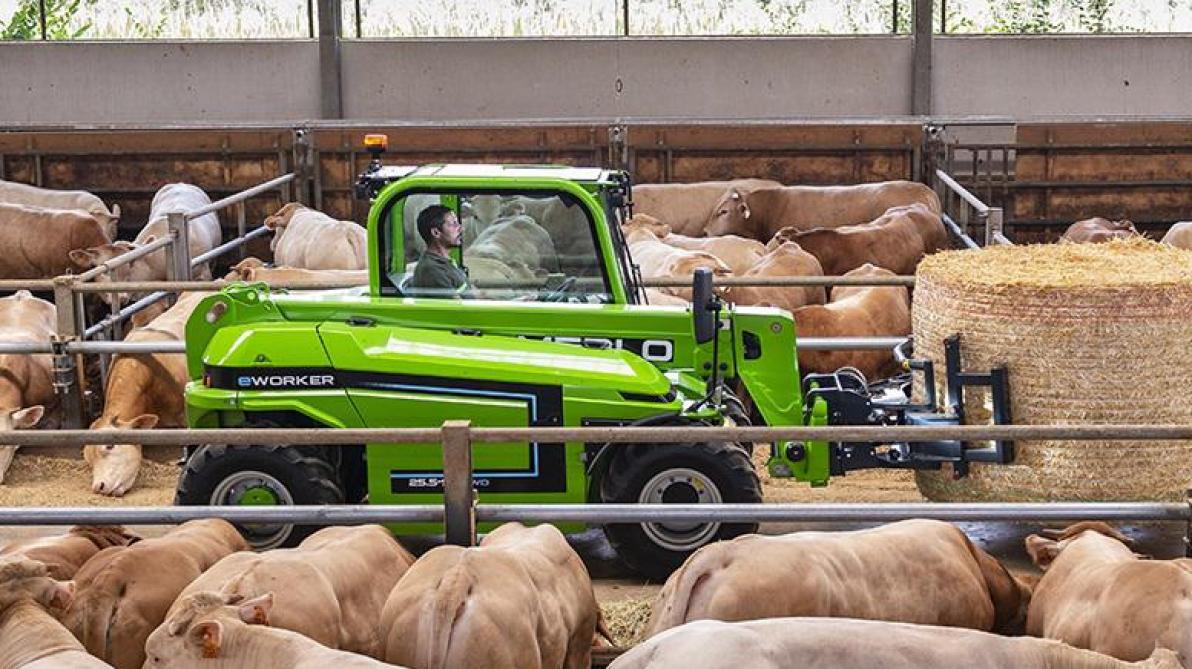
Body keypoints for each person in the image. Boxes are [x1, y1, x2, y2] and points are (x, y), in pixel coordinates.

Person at [409, 205, 468, 294]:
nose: (461, 229)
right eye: (454, 224)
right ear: (436, 232)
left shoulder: (445, 262)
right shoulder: (432, 271)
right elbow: (457, 306)